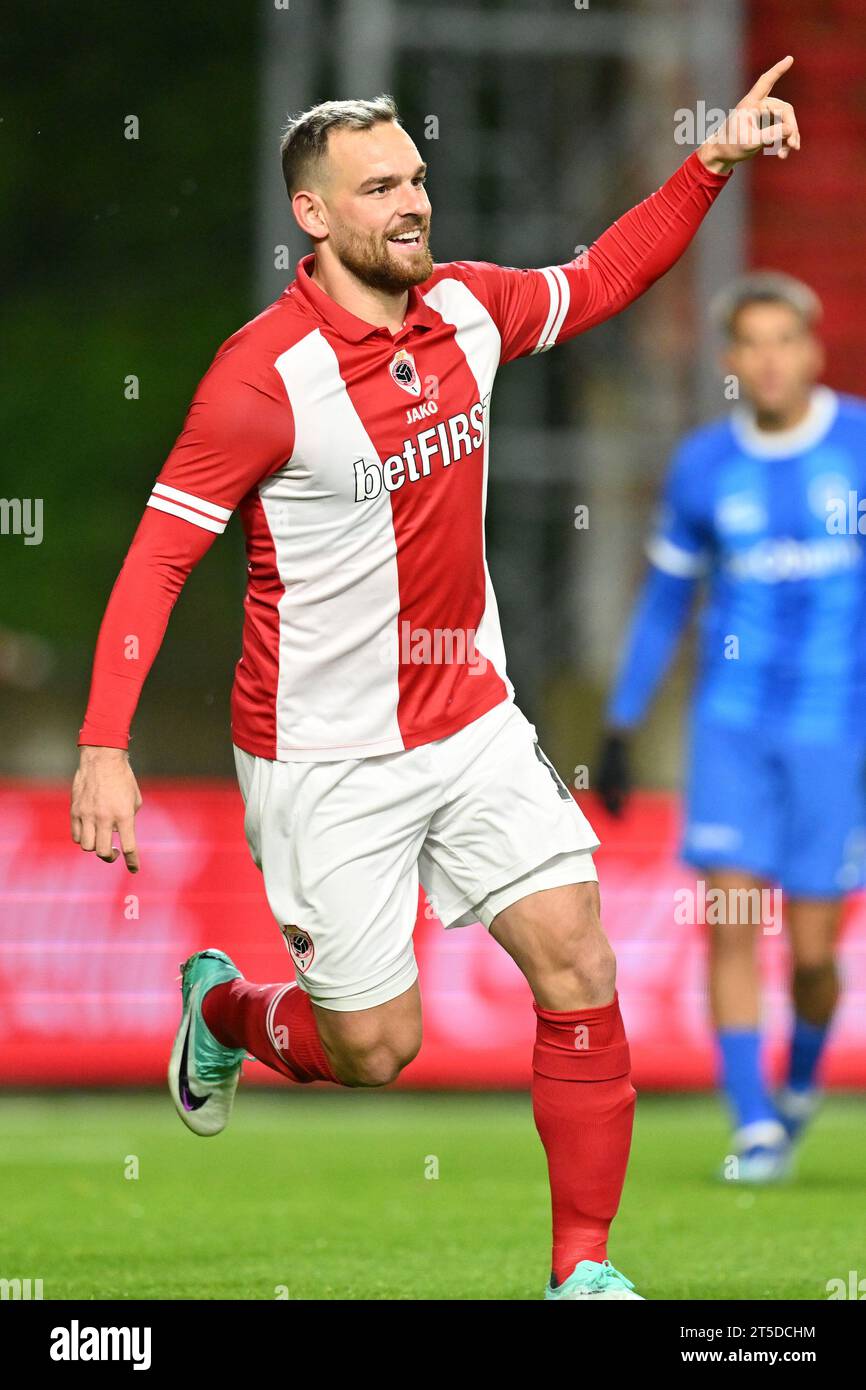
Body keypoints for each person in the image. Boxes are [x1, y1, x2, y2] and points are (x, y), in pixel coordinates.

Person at [71, 63, 799, 1298]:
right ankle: (228, 1015)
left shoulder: (465, 306)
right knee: (373, 1046)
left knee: (579, 963)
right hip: (323, 754)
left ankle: (581, 1273)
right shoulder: (259, 381)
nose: (413, 203)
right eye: (380, 188)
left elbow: (601, 275)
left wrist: (709, 160)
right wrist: (103, 744)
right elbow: (158, 558)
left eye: (416, 176)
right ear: (313, 215)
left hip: (467, 719)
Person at [598, 269, 866, 1183]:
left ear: (812, 348)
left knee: (821, 952)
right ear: (731, 361)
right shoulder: (706, 466)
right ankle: (753, 1125)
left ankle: (797, 1081)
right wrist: (622, 721)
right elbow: (667, 599)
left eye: (783, 340)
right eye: (749, 344)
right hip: (734, 729)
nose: (768, 360)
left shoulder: (861, 448)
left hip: (836, 731)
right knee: (732, 921)